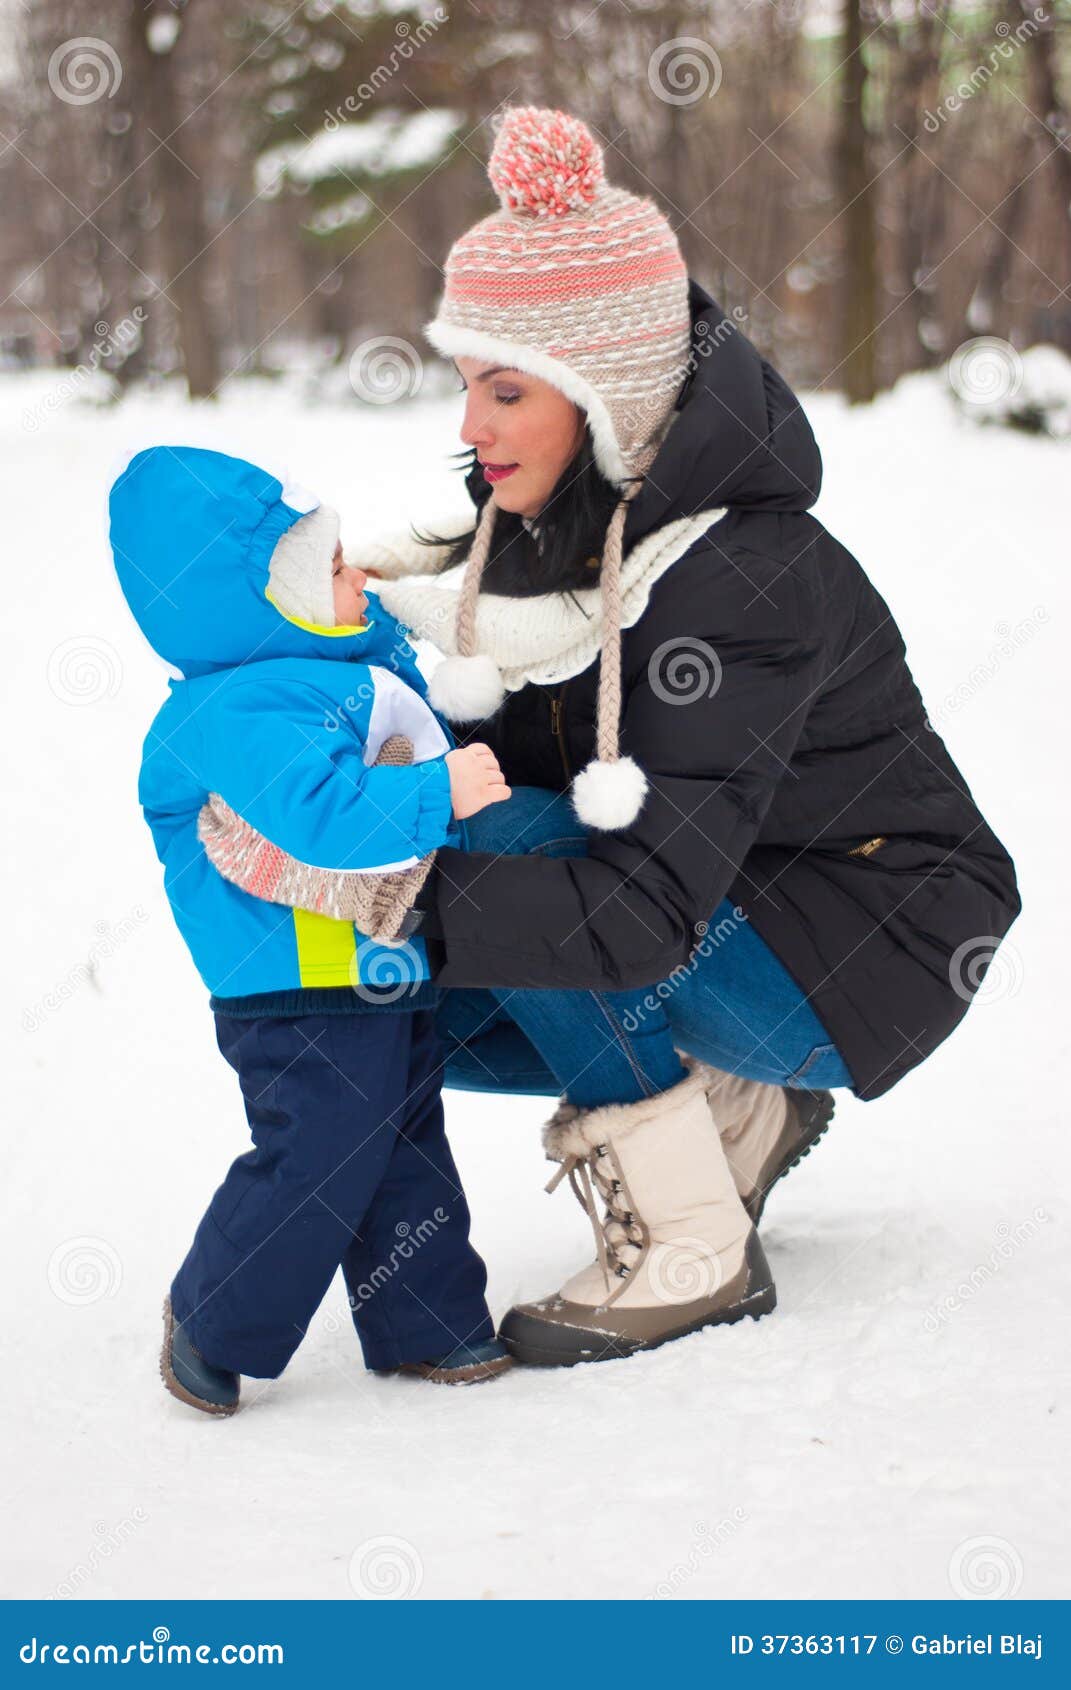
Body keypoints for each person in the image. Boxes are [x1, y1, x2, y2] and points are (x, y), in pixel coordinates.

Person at [350, 106, 1021, 1367]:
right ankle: (732, 1107)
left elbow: (630, 906)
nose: (469, 427)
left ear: (608, 398)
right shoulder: (529, 537)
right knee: (397, 999)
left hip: (870, 937)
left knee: (499, 863)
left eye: (506, 388)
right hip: (731, 895)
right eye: (465, 384)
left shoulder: (742, 576)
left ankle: (690, 1241)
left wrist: (409, 889)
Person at [109, 445, 513, 1414]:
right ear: (262, 597)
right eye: (330, 569)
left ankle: (430, 1318)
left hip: (380, 960)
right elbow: (317, 815)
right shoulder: (232, 706)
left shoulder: (334, 670)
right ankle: (214, 1317)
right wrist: (437, 787)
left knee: (407, 1138)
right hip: (288, 981)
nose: (359, 577)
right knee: (324, 1146)